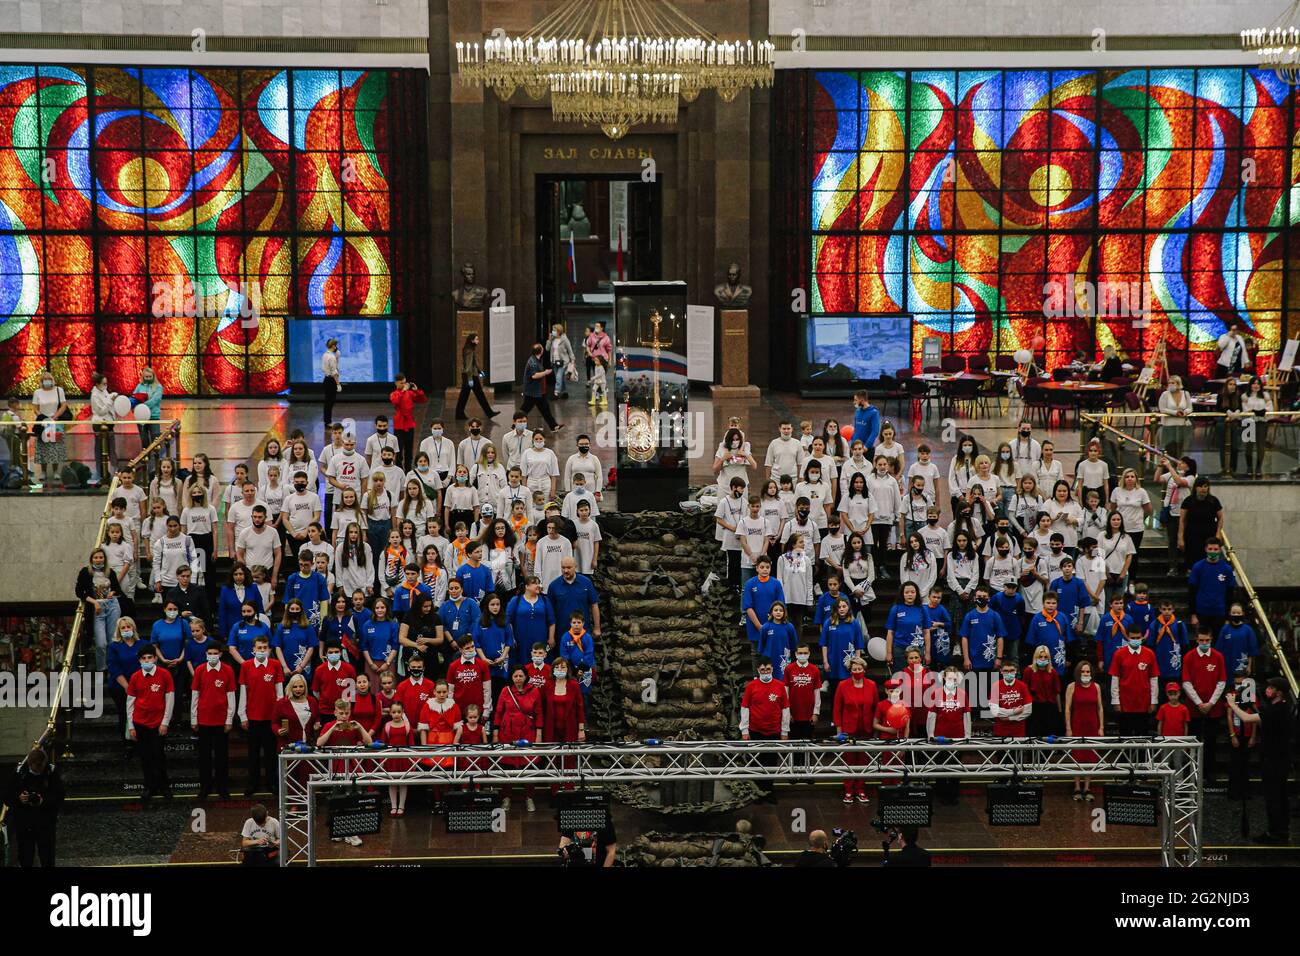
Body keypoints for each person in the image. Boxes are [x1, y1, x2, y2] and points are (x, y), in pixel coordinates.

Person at [1225, 678, 1292, 843]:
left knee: (1274, 798)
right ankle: (1280, 830)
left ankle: (1277, 834)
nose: (1268, 689)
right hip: (1279, 759)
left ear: (1279, 692)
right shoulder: (1282, 708)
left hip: (1274, 761)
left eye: (1271, 687)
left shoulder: (1276, 711)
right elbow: (1262, 715)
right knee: (1279, 797)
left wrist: (1232, 704)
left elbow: (1247, 719)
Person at [127, 643, 174, 806]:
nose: (147, 661)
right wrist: (131, 726)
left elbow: (169, 700)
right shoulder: (135, 677)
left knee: (159, 756)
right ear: (139, 660)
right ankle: (149, 786)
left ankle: (164, 786)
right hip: (140, 723)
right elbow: (130, 703)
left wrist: (165, 722)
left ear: (155, 658)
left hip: (158, 723)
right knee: (146, 757)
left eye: (150, 658)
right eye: (144, 658)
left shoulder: (164, 674)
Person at [3, 748, 64, 867]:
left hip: (45, 822)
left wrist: (43, 801)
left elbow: (60, 796)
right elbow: (7, 796)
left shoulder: (50, 772)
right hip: (24, 822)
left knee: (47, 857)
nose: (39, 770)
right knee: (25, 857)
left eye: (41, 768)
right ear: (30, 764)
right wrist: (19, 798)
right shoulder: (20, 773)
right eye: (36, 768)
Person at [1181, 629, 1227, 785]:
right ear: (1196, 640)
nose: (1204, 643)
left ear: (1211, 639)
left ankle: (1209, 773)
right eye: (1202, 640)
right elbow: (1186, 682)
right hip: (1194, 708)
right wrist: (1199, 703)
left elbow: (1221, 682)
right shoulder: (1189, 657)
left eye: (1207, 640)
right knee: (1193, 742)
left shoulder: (1218, 656)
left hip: (1213, 708)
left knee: (1211, 743)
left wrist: (1211, 703)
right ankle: (1191, 773)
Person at [191, 641, 235, 800]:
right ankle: (205, 787)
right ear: (205, 654)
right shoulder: (200, 670)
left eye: (215, 653)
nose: (212, 656)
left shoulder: (228, 670)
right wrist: (193, 718)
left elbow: (231, 696)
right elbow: (195, 695)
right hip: (203, 721)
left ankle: (222, 787)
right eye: (209, 653)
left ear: (220, 654)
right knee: (204, 757)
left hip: (221, 721)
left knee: (222, 756)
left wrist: (229, 719)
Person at [495, 665, 543, 811]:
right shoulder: (505, 691)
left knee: (528, 765)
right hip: (507, 734)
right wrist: (496, 732)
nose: (518, 679)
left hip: (527, 733)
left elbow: (539, 713)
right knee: (507, 766)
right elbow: (498, 712)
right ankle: (506, 797)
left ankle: (529, 797)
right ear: (511, 677)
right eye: (515, 676)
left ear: (526, 677)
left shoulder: (534, 691)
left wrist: (539, 734)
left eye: (520, 676)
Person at [833, 656, 878, 804]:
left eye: (859, 669)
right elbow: (837, 708)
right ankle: (848, 790)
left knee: (863, 760)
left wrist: (875, 726)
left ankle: (860, 789)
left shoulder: (872, 685)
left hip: (866, 728)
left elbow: (876, 707)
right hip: (848, 728)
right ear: (850, 671)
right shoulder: (842, 685)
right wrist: (839, 729)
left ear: (864, 670)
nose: (857, 671)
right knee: (849, 760)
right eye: (854, 669)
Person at [76, 547, 122, 672]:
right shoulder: (85, 572)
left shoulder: (110, 572)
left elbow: (117, 589)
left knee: (112, 640)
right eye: (95, 557)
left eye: (101, 557)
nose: (98, 560)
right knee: (101, 643)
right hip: (96, 608)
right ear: (91, 559)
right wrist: (94, 601)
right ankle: (102, 668)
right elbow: (79, 592)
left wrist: (112, 592)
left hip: (112, 606)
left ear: (104, 559)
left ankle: (113, 667)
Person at [1065, 659, 1104, 800]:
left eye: (1087, 671)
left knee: (1090, 757)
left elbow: (1100, 708)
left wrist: (1101, 727)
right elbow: (1067, 709)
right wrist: (1068, 727)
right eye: (1083, 671)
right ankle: (1077, 787)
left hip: (1092, 725)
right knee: (1077, 756)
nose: (1085, 673)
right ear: (1078, 672)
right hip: (1077, 725)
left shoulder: (1097, 687)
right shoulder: (1072, 687)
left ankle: (1087, 787)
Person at [1109, 627, 1158, 736]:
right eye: (1133, 638)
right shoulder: (1119, 654)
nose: (1135, 640)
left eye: (1138, 637)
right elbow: (1115, 679)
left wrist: (1153, 701)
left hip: (1144, 703)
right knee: (1125, 738)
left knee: (1143, 738)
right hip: (1125, 704)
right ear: (1127, 637)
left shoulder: (1149, 654)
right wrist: (1116, 701)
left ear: (1142, 637)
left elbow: (1154, 679)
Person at [1187, 537, 1236, 638]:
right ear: (1205, 549)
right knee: (1203, 641)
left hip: (1220, 613)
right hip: (1202, 612)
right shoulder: (1198, 567)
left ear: (1219, 550)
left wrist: (1228, 617)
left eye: (1215, 549)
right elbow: (1192, 591)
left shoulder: (1226, 569)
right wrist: (1193, 614)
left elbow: (1230, 593)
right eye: (1210, 549)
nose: (1212, 552)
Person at [29, 369, 69, 490]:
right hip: (43, 422)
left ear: (52, 380)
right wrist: (43, 417)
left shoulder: (59, 390)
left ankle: (56, 471)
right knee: (43, 447)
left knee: (56, 446)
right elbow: (35, 407)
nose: (47, 381)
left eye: (49, 379)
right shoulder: (37, 392)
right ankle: (43, 471)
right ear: (42, 381)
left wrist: (55, 416)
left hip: (56, 421)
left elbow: (63, 405)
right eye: (44, 379)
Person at [455, 333, 497, 420]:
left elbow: (472, 364)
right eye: (476, 339)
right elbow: (469, 366)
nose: (478, 341)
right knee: (479, 394)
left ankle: (459, 413)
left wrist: (480, 372)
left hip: (469, 375)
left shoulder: (468, 349)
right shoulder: (469, 351)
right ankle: (489, 413)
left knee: (465, 395)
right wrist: (470, 379)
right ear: (472, 340)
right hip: (470, 376)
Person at [521, 342, 561, 430]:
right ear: (540, 351)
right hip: (533, 392)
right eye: (542, 348)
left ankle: (554, 426)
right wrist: (546, 372)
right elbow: (534, 376)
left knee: (545, 410)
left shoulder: (536, 360)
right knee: (524, 410)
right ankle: (515, 425)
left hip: (539, 392)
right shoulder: (533, 362)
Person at [1157, 376, 1193, 457]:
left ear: (1178, 384)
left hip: (1182, 425)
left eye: (1172, 383)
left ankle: (1177, 468)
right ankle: (1168, 468)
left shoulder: (1185, 393)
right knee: (1170, 450)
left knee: (1179, 450)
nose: (1170, 385)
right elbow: (1162, 409)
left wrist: (1185, 412)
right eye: (1169, 383)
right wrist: (1175, 412)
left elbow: (1190, 408)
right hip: (1168, 426)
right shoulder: (1165, 394)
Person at [131, 365, 164, 452]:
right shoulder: (139, 386)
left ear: (153, 376)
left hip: (153, 416)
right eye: (146, 376)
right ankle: (146, 460)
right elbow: (134, 396)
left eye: (150, 376)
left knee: (155, 438)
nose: (148, 378)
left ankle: (156, 459)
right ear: (143, 377)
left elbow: (156, 400)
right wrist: (134, 406)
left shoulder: (158, 387)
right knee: (144, 439)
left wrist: (144, 406)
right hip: (141, 417)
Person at [547, 323, 576, 399]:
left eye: (554, 330)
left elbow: (570, 350)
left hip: (563, 362)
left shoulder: (565, 340)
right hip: (554, 362)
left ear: (559, 331)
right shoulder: (552, 339)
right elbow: (547, 348)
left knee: (558, 377)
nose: (553, 331)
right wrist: (549, 340)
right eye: (553, 330)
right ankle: (564, 392)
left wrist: (573, 360)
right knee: (560, 378)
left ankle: (556, 393)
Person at [321, 337, 341, 427]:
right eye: (336, 345)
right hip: (331, 380)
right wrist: (338, 384)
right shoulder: (331, 357)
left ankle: (327, 420)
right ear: (333, 346)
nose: (336, 347)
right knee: (330, 402)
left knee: (327, 402)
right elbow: (334, 372)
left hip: (326, 379)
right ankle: (328, 422)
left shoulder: (325, 354)